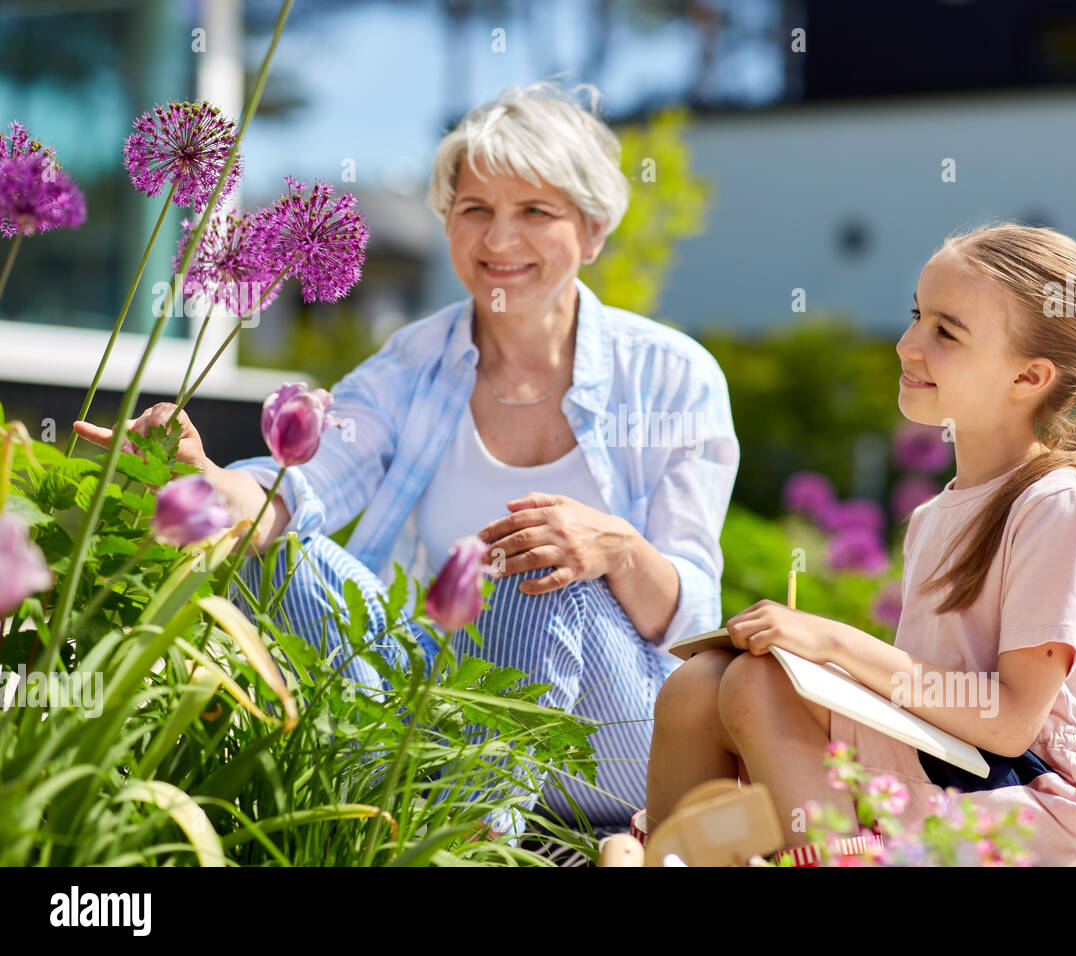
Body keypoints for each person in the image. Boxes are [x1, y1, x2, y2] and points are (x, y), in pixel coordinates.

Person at [74, 81, 739, 845]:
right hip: (441, 711)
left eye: (535, 212)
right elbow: (309, 478)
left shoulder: (673, 374)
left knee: (534, 557)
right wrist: (214, 488)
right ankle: (391, 806)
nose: (499, 240)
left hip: (620, 738)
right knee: (275, 549)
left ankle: (461, 842)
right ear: (448, 222)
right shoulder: (414, 358)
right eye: (475, 210)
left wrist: (614, 548)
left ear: (592, 232)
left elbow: (693, 626)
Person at [645, 222, 1076, 866]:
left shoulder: (1056, 506)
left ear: (1029, 377)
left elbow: (1011, 721)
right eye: (915, 316)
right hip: (951, 765)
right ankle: (676, 854)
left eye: (945, 331)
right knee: (700, 683)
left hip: (1033, 800)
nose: (906, 344)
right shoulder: (935, 514)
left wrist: (836, 643)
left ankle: (833, 859)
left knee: (755, 685)